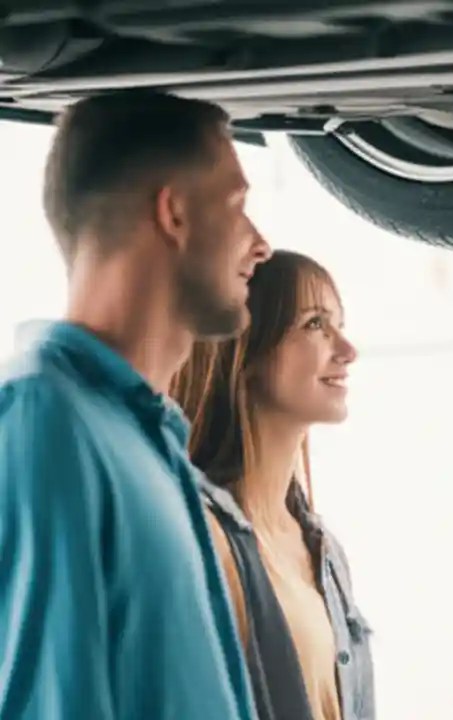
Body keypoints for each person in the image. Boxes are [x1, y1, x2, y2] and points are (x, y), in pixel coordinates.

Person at [0, 91, 271, 719]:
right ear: (173, 212)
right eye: (237, 205)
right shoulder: (44, 423)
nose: (260, 245)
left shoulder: (149, 442)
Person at [170, 249, 374, 720]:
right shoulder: (202, 540)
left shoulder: (321, 548)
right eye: (315, 324)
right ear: (246, 349)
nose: (347, 350)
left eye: (338, 323)